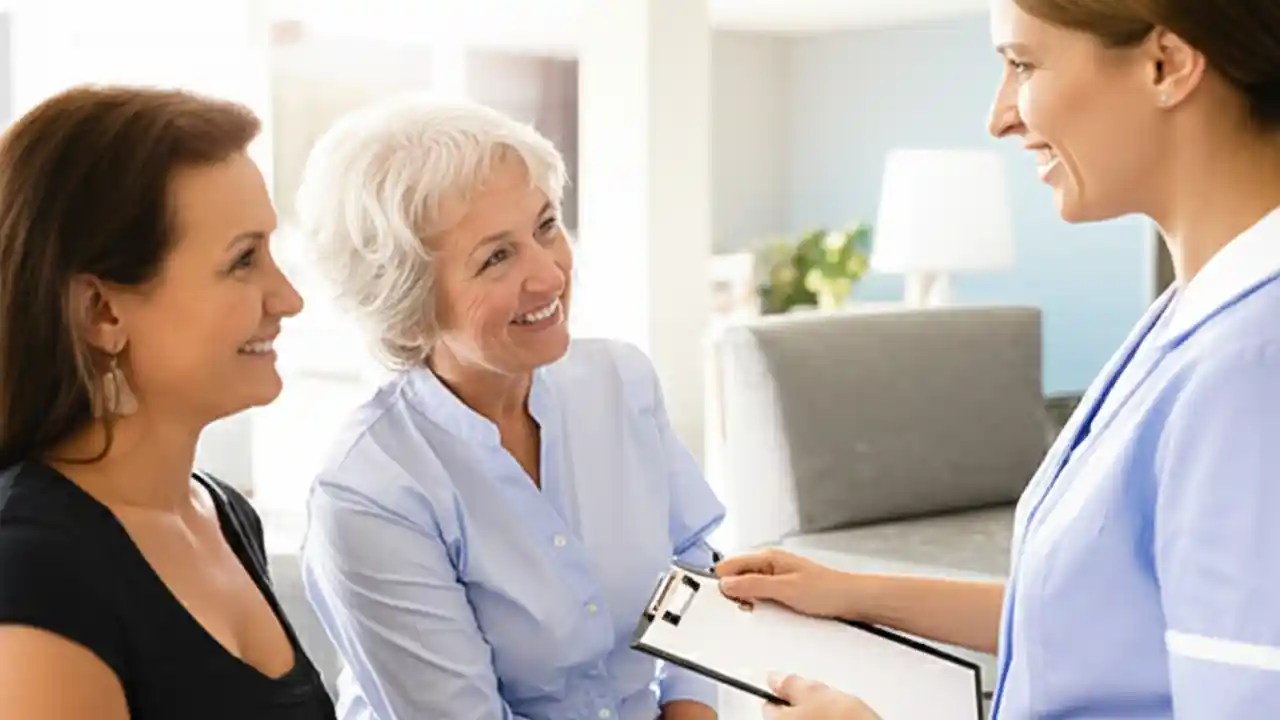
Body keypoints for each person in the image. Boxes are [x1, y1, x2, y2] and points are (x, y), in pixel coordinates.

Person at [719, 0, 1280, 717]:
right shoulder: (1192, 315)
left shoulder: (1252, 376)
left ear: (1166, 64)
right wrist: (861, 593)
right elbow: (1110, 615)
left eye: (1022, 65)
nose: (1000, 117)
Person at [294, 96, 725, 720]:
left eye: (546, 225)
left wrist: (692, 711)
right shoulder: (371, 491)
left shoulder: (620, 380)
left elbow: (693, 564)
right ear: (411, 308)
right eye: (497, 257)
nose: (549, 275)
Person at [0, 86, 334, 719]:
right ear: (102, 311)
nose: (287, 297)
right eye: (243, 261)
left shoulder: (224, 515)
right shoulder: (32, 571)